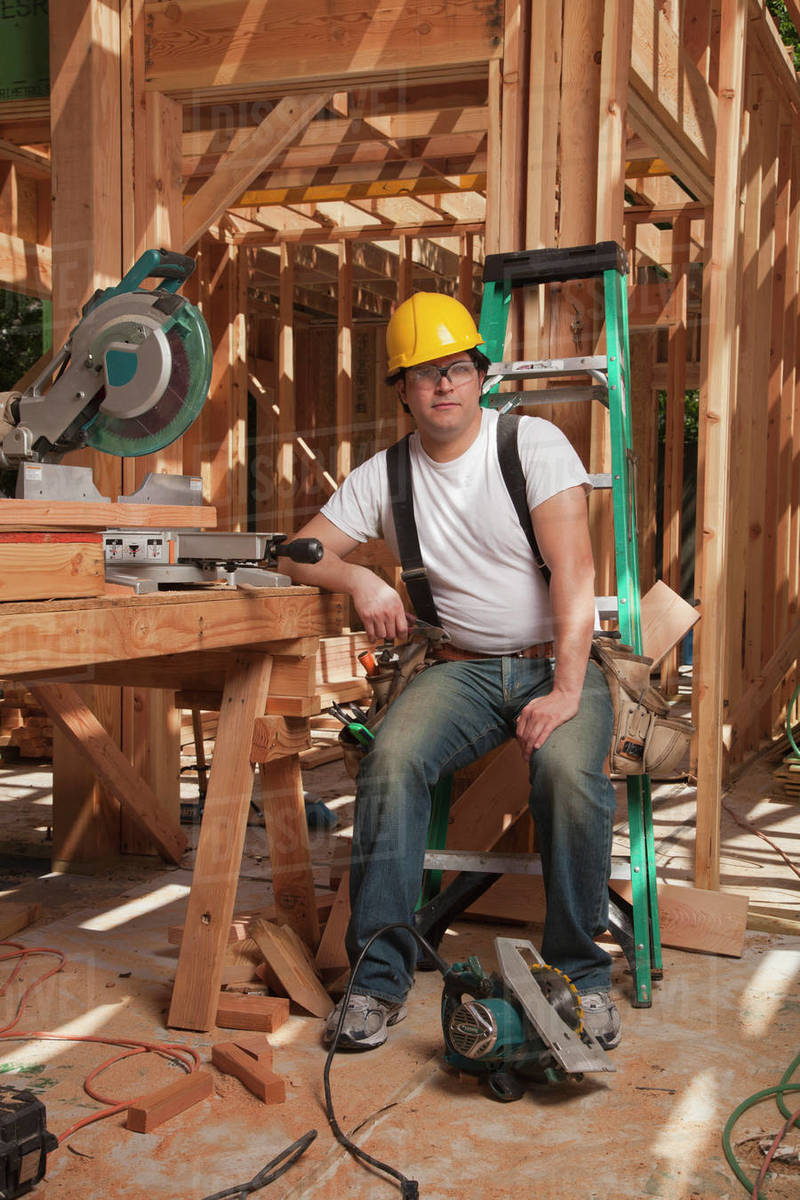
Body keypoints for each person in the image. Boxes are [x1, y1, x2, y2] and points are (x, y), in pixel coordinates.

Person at [286, 291, 619, 1052]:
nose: (443, 385)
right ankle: (377, 982)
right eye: (423, 373)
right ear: (402, 389)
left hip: (554, 664)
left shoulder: (531, 447)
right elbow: (296, 552)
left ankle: (580, 979)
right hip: (461, 670)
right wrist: (361, 581)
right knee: (391, 760)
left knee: (568, 776)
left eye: (457, 368)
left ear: (481, 375)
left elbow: (574, 574)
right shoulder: (386, 475)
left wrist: (568, 692)